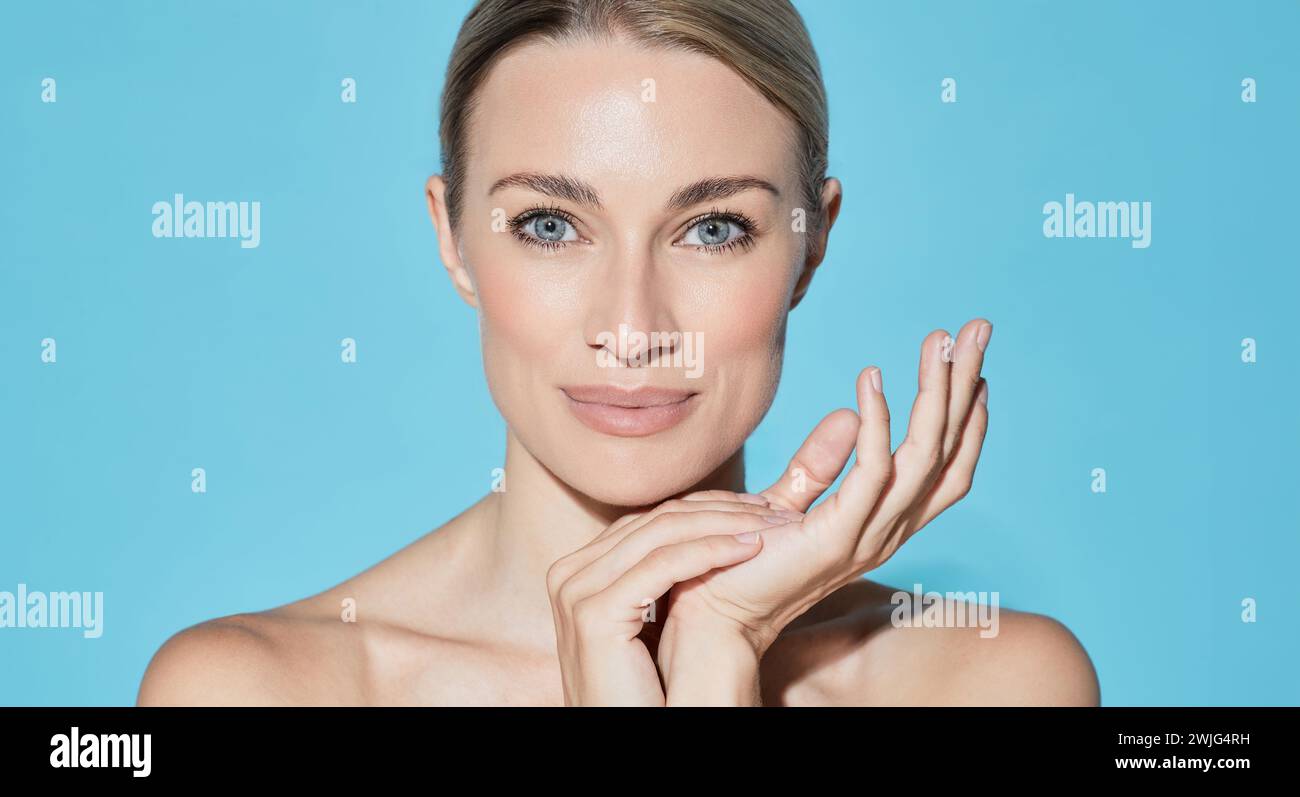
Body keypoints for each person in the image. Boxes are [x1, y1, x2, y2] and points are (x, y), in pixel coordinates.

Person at [138, 0, 1099, 706]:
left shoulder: (994, 683)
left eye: (715, 228)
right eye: (551, 225)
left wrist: (722, 649)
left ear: (812, 241)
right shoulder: (252, 692)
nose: (633, 326)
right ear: (452, 238)